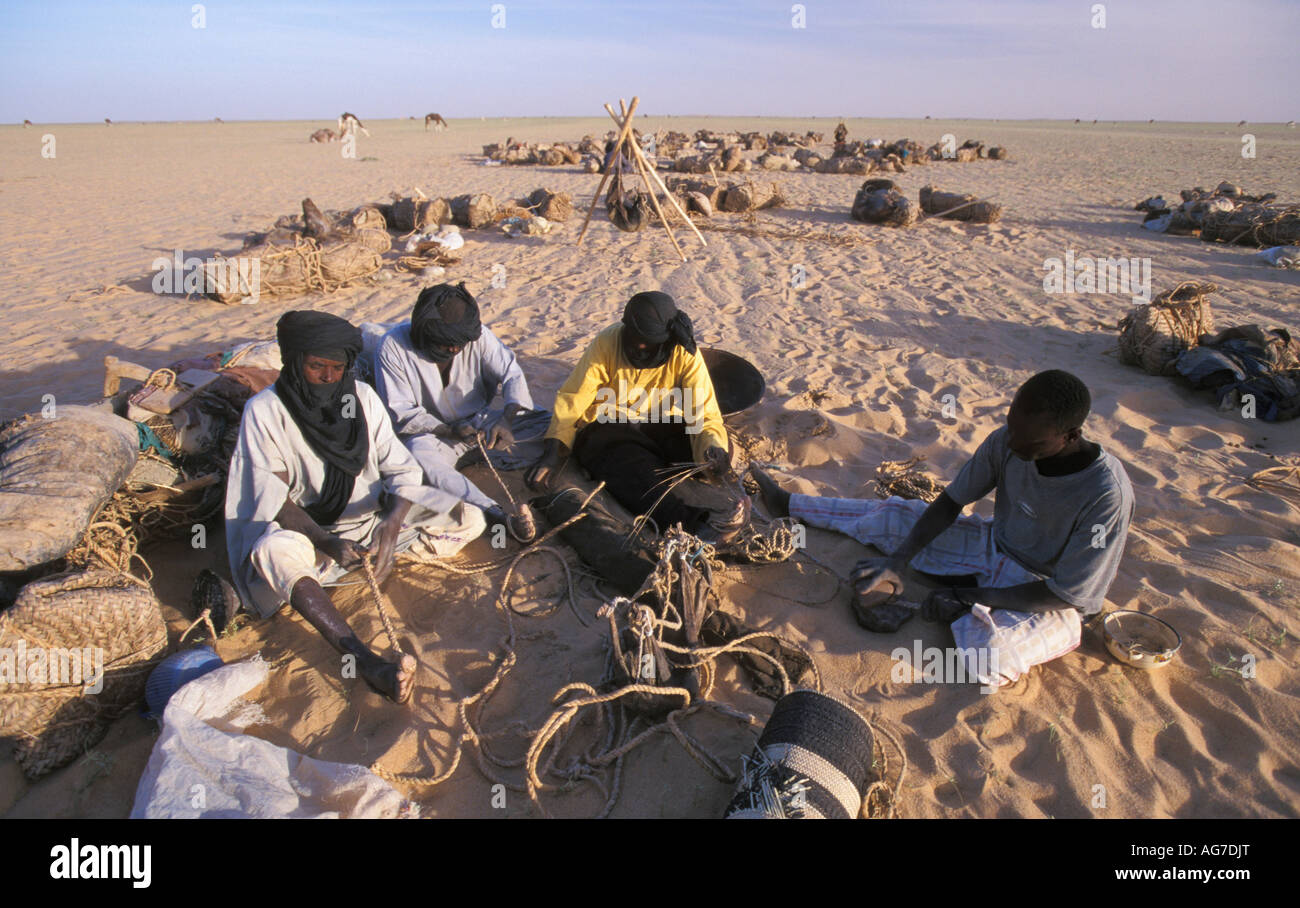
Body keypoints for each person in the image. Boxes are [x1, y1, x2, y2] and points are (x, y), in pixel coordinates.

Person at [751, 370, 1134, 687]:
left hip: (1043, 589)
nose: (1013, 443)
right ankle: (790, 503)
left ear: (1070, 436)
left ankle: (970, 611)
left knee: (992, 657)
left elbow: (1068, 593)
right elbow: (950, 504)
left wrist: (965, 596)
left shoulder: (1105, 494)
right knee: (894, 517)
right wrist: (898, 563)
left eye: (1029, 441)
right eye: (1011, 428)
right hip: (992, 546)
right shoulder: (1008, 441)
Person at [225, 311, 485, 704]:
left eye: (338, 367)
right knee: (271, 551)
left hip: (374, 517)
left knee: (470, 518)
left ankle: (366, 562)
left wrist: (394, 523)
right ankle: (364, 661)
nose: (330, 377)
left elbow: (400, 469)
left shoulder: (362, 397)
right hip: (311, 534)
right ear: (294, 361)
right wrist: (326, 541)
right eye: (317, 367)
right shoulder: (265, 411)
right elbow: (273, 498)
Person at [525, 291, 747, 542]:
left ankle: (677, 467)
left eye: (647, 342)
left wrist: (711, 448)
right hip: (609, 426)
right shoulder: (607, 342)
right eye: (633, 338)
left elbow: (703, 413)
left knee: (716, 450)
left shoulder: (684, 351)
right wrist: (553, 449)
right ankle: (688, 523)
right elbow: (574, 398)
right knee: (627, 466)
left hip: (660, 422)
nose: (639, 346)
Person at [374, 283, 547, 542]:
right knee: (420, 457)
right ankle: (493, 512)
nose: (455, 350)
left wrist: (507, 419)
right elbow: (401, 411)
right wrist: (447, 430)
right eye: (446, 345)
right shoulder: (392, 347)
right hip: (433, 432)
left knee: (548, 423)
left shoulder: (477, 336)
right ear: (422, 334)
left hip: (483, 424)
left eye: (459, 344)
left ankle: (491, 452)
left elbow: (511, 373)